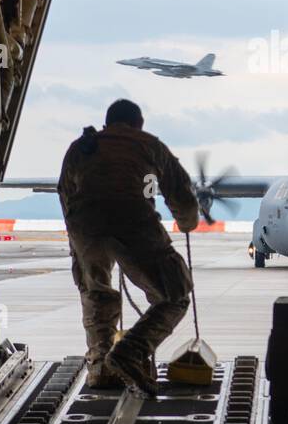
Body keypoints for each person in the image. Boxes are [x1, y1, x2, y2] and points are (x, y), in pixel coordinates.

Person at [58, 99, 201, 395]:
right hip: (133, 219)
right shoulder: (149, 145)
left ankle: (100, 369)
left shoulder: (81, 147)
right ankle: (131, 352)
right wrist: (187, 223)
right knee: (175, 295)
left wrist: (79, 238)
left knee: (97, 294)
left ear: (107, 122)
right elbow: (180, 191)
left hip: (85, 225)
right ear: (138, 124)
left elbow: (65, 192)